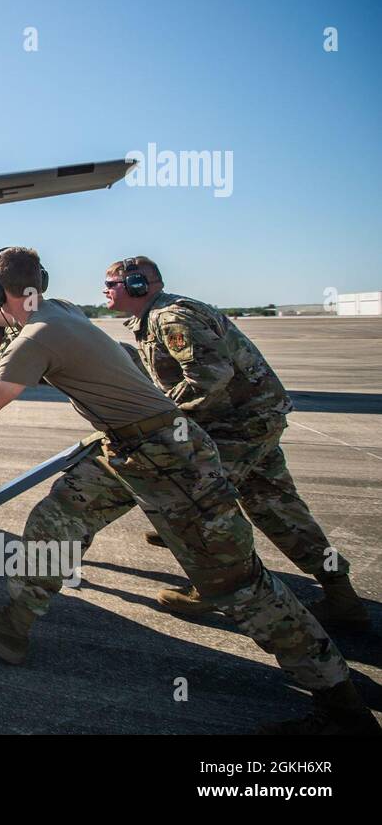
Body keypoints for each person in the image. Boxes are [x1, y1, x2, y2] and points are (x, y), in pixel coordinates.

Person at [0, 247, 377, 734]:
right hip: (126, 447)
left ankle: (342, 708)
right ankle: (12, 626)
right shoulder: (56, 308)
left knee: (238, 587)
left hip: (170, 459)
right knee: (57, 518)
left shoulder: (36, 337)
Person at [96, 256, 368, 628]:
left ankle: (214, 586)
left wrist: (159, 416)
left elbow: (209, 375)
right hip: (251, 420)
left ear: (138, 286)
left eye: (111, 284)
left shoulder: (170, 317)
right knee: (277, 507)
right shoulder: (157, 316)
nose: (104, 290)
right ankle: (341, 594)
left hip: (237, 425)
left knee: (198, 503)